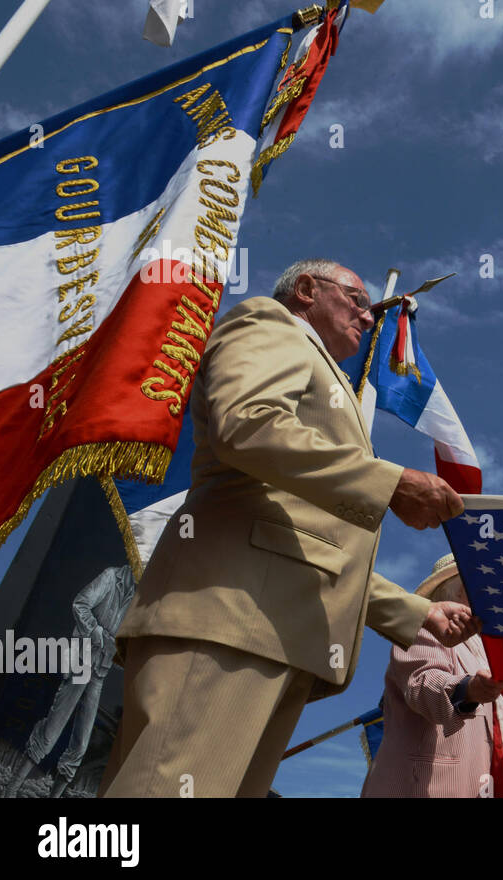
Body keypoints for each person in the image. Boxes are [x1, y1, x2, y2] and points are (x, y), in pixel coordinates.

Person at [100, 259, 474, 798]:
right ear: (305, 289)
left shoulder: (327, 376)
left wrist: (420, 613)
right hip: (228, 616)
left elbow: (312, 544)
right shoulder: (267, 323)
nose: (370, 319)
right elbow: (246, 423)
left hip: (276, 635)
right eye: (358, 300)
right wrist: (388, 483)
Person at [361, 554, 503, 797]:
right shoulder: (425, 631)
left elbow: (493, 732)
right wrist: (467, 690)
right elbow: (422, 686)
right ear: (453, 593)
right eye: (481, 588)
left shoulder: (492, 653)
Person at [3, 565, 137, 798]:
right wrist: (97, 634)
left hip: (99, 673)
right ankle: (11, 790)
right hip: (80, 657)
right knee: (51, 731)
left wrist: (123, 654)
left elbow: (121, 649)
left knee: (81, 744)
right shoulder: (110, 577)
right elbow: (80, 603)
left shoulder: (137, 599)